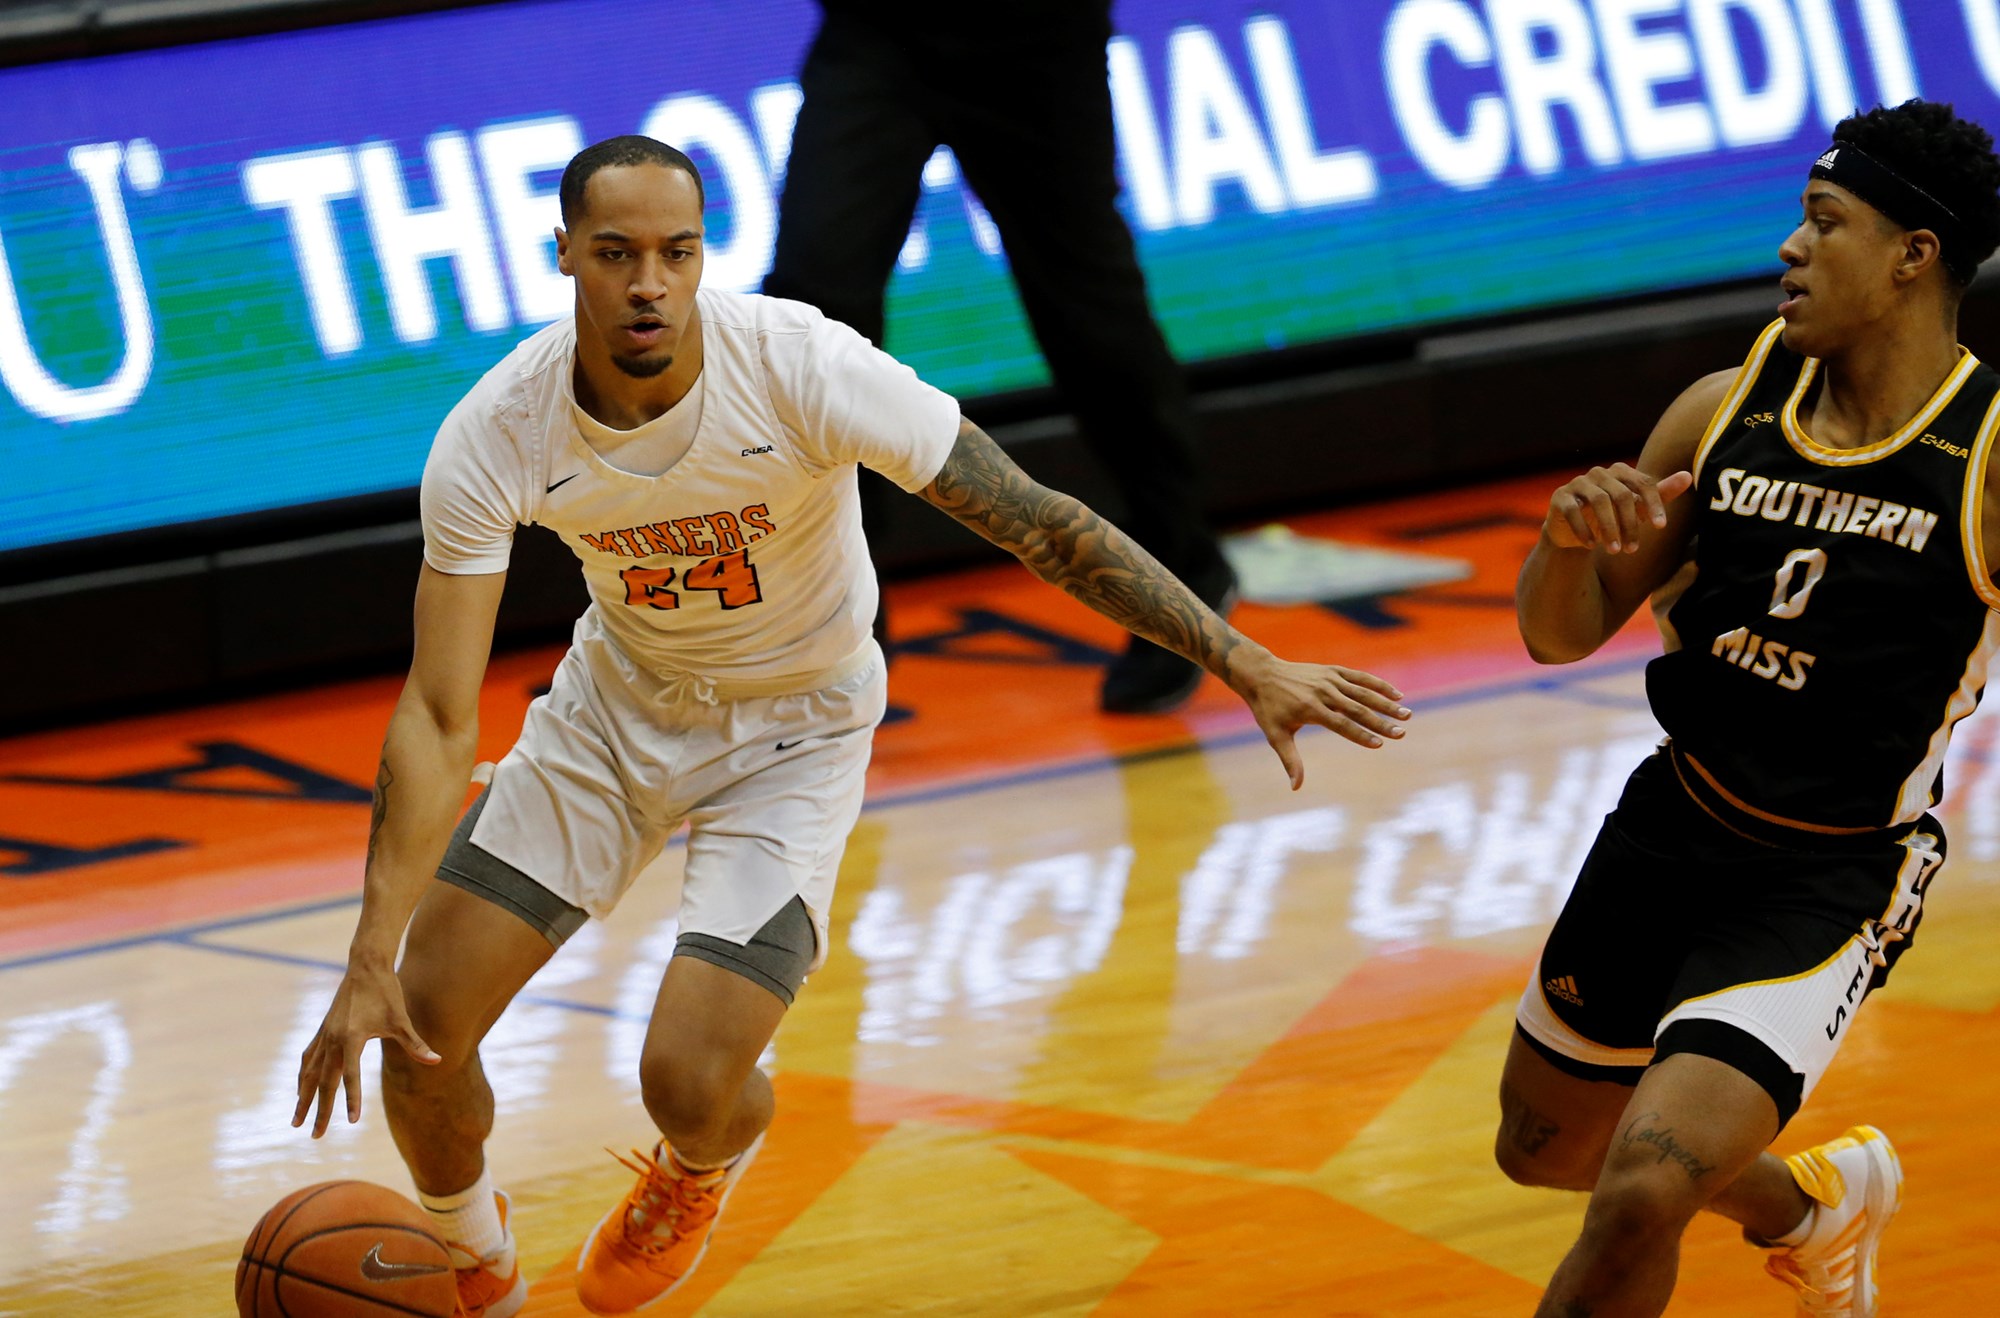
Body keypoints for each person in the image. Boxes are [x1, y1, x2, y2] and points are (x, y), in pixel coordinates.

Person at [288, 135, 1410, 1318]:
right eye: (615, 254)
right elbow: (437, 712)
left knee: (687, 1081)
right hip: (612, 714)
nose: (649, 284)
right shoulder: (498, 429)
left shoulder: (800, 366)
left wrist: (1238, 658)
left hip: (795, 732)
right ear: (562, 254)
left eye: (676, 252)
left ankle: (699, 1164)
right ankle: (475, 1263)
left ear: (702, 254)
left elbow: (1041, 522)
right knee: (418, 1024)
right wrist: (367, 952)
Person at [1500, 100, 2000, 1317]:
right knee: (1543, 1151)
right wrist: (1565, 541)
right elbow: (1557, 631)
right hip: (1669, 826)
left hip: (1826, 876)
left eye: (1823, 221)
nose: (1789, 244)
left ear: (1911, 254)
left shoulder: (1987, 457)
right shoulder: (1719, 410)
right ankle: (1810, 1207)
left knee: (1639, 1189)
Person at [762, 0, 1235, 715]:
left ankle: (1182, 572)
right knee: (813, 305)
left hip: (1036, 38)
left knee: (1087, 313)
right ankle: (840, 624)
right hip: (878, 31)